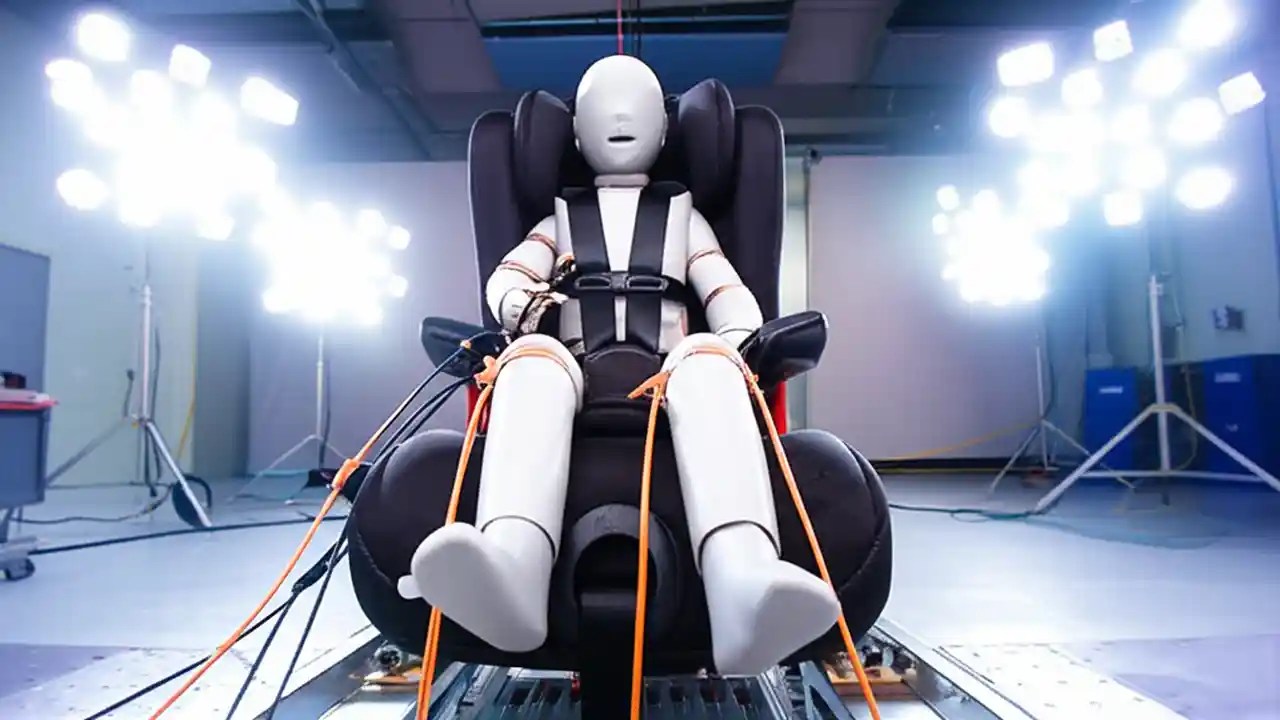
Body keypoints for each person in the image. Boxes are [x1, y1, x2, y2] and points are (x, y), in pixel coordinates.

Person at [397, 54, 839, 676]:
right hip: (573, 366)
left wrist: (739, 341)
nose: (622, 118)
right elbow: (509, 276)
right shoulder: (559, 221)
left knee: (709, 362)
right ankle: (512, 571)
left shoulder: (685, 219)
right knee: (529, 363)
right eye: (604, 109)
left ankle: (744, 586)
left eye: (639, 108)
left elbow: (725, 290)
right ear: (577, 135)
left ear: (665, 130)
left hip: (670, 371)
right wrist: (520, 304)